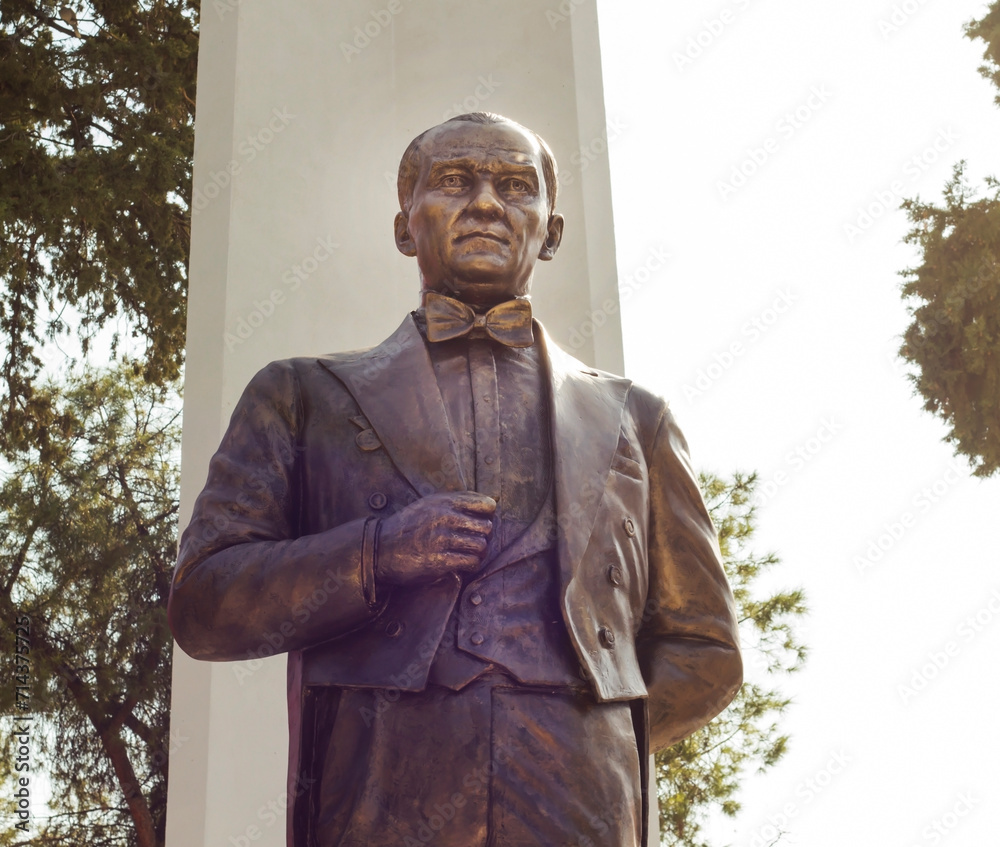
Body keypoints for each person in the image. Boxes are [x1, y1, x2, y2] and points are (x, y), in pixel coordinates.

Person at [168, 112, 742, 847]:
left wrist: (590, 731)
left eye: (515, 186)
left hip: (580, 804)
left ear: (551, 231)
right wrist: (375, 552)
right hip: (375, 793)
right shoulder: (300, 395)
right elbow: (205, 602)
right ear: (405, 226)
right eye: (454, 180)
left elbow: (706, 646)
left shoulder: (639, 419)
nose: (485, 203)